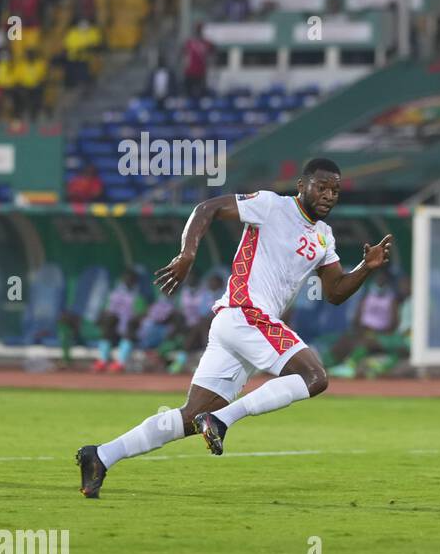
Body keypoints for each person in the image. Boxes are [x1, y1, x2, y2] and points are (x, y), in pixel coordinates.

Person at [75, 159, 394, 498]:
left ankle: (101, 455)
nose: (329, 195)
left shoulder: (323, 236)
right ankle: (223, 421)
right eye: (322, 187)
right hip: (245, 313)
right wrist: (187, 254)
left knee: (190, 416)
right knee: (315, 377)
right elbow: (207, 208)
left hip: (239, 325)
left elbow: (335, 293)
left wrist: (365, 267)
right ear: (302, 185)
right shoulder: (271, 205)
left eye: (335, 190)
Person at [180, 22, 214, 99]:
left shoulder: (207, 43)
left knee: (201, 96)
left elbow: (213, 55)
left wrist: (210, 65)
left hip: (201, 73)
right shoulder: (189, 43)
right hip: (190, 72)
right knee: (188, 94)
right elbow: (183, 55)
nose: (197, 31)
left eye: (199, 30)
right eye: (196, 30)